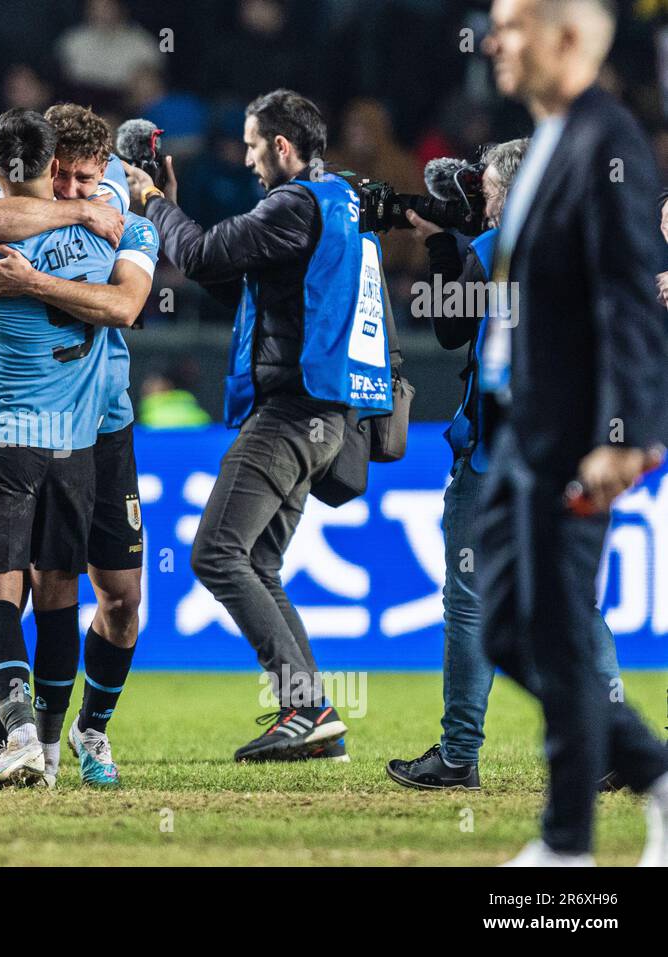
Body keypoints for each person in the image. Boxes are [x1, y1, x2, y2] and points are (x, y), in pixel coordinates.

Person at [124, 88, 394, 762]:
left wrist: (155, 204)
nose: (246, 160)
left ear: (280, 146)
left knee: (215, 553)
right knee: (260, 562)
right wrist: (170, 210)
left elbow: (207, 254)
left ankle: (306, 706)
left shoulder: (293, 202)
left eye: (250, 146)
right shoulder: (338, 204)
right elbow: (237, 279)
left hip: (289, 414)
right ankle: (313, 717)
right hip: (326, 416)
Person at [478, 0, 668, 866]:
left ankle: (565, 846)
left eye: (512, 26)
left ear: (567, 37)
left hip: (577, 436)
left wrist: (624, 430)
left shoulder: (608, 140)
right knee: (508, 630)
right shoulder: (552, 136)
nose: (494, 42)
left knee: (553, 628)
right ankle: (656, 769)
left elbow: (627, 296)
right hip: (524, 430)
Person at [387, 138, 620, 790]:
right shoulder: (583, 250)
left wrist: (439, 244)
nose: (482, 201)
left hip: (495, 457)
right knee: (577, 599)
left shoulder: (495, 251)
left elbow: (447, 327)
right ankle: (608, 737)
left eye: (489, 189)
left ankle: (459, 753)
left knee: (468, 606)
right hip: (571, 450)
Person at [0, 108, 152, 790]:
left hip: (81, 427)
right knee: (51, 588)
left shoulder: (103, 207)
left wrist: (32, 278)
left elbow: (122, 306)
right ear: (49, 166)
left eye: (91, 180)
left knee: (108, 597)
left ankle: (59, 733)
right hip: (70, 437)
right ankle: (36, 743)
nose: (79, 188)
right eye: (66, 176)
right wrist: (82, 217)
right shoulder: (101, 217)